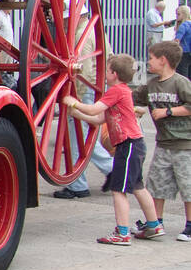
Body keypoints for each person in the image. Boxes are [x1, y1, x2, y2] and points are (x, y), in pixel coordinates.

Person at [62, 54, 157, 245]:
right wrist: (76, 113)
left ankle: (122, 233)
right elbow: (98, 120)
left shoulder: (116, 91)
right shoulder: (121, 93)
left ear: (114, 73)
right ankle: (154, 225)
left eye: (106, 70)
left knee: (118, 190)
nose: (104, 73)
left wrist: (72, 101)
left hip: (127, 145)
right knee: (138, 186)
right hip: (134, 145)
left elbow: (94, 110)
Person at [131, 40, 191, 241]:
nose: (148, 62)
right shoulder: (151, 85)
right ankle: (156, 222)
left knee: (187, 187)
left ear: (163, 60)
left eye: (151, 58)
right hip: (163, 143)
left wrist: (168, 111)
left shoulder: (181, 83)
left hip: (184, 145)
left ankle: (189, 226)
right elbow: (135, 101)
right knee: (157, 184)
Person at [52, 1, 113, 199]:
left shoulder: (81, 36)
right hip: (96, 87)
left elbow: (83, 69)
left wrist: (73, 97)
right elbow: (108, 58)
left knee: (78, 137)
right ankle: (112, 171)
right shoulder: (96, 31)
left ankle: (81, 183)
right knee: (85, 137)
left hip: (85, 89)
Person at [174, 4, 191, 79]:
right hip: (189, 51)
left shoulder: (183, 26)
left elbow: (177, 40)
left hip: (183, 51)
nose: (177, 16)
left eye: (178, 14)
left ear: (184, 14)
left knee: (182, 71)